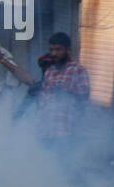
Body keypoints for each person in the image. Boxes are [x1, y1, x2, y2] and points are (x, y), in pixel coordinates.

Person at [34, 31, 89, 160]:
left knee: (67, 168)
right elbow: (43, 102)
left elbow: (84, 99)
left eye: (58, 50)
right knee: (49, 167)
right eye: (51, 49)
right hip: (47, 130)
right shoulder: (49, 71)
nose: (54, 54)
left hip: (67, 131)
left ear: (67, 49)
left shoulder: (77, 69)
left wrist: (66, 93)